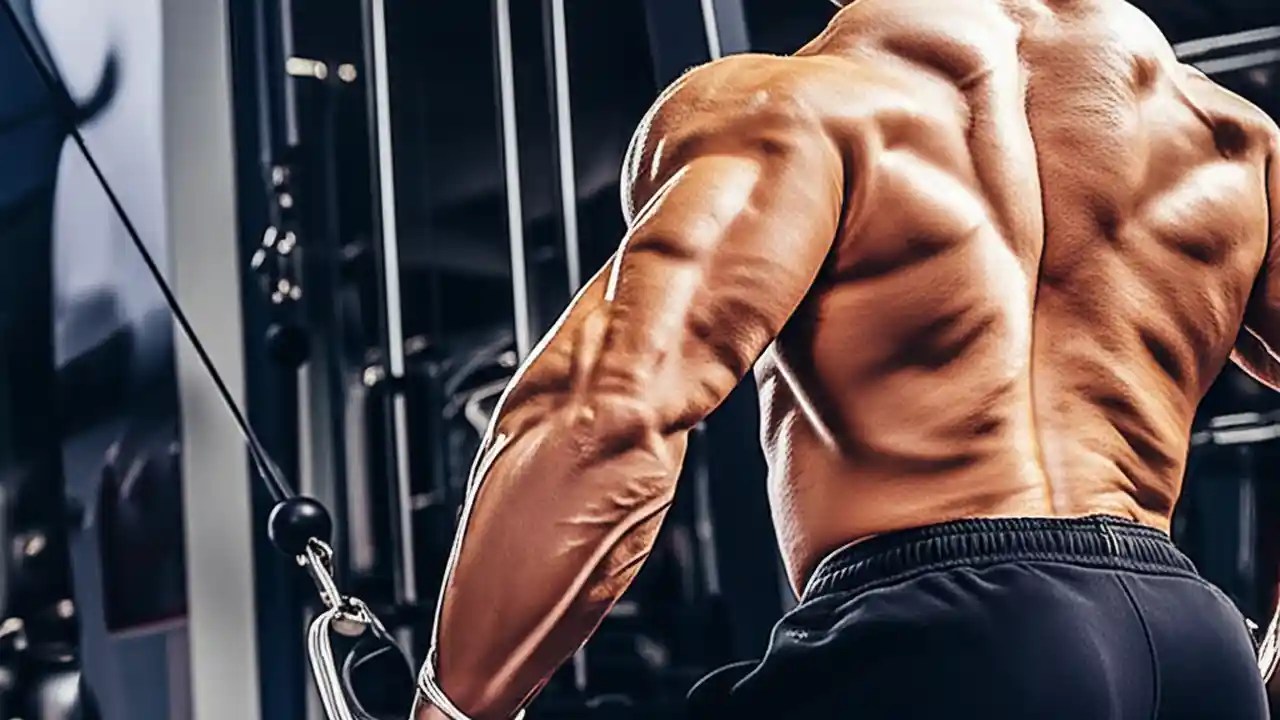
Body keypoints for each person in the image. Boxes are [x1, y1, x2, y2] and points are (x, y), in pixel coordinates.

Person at [412, 0, 1280, 717]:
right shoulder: (1233, 139)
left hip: (940, 641)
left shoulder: (799, 108)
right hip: (1195, 646)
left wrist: (453, 705)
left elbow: (608, 412)